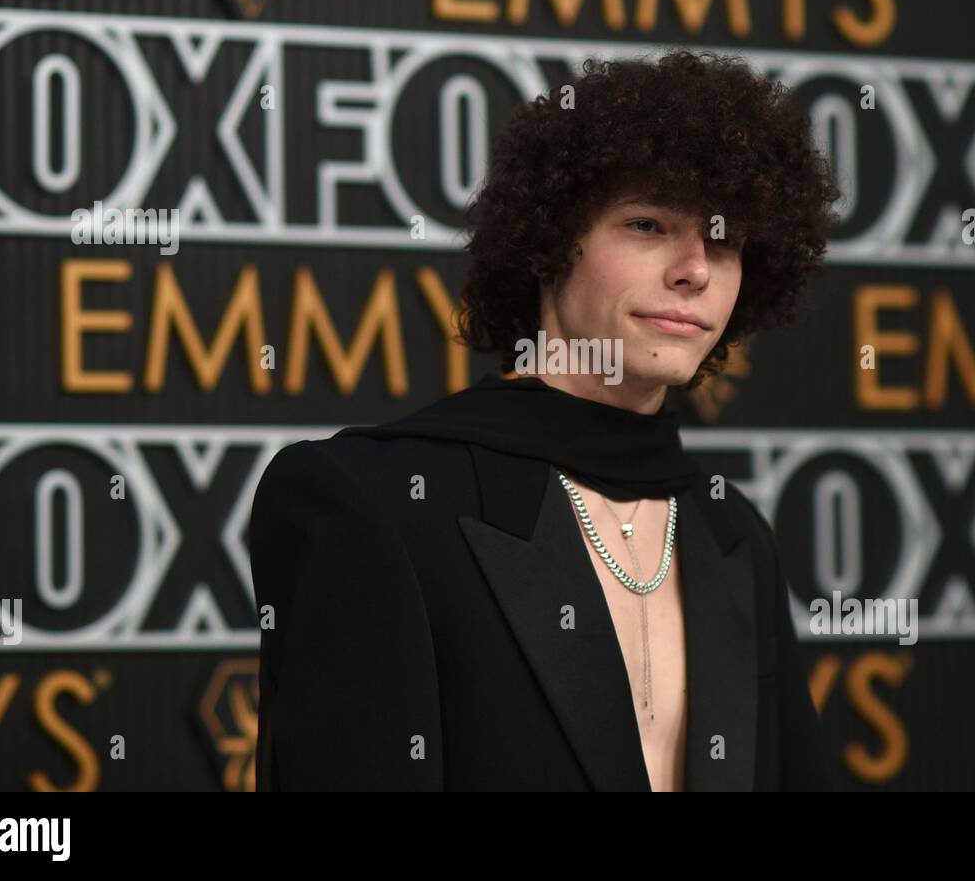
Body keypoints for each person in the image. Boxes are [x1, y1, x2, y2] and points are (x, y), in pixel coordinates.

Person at [248, 49, 840, 791]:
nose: (695, 267)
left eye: (724, 239)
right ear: (549, 241)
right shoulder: (374, 503)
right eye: (649, 223)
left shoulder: (734, 535)